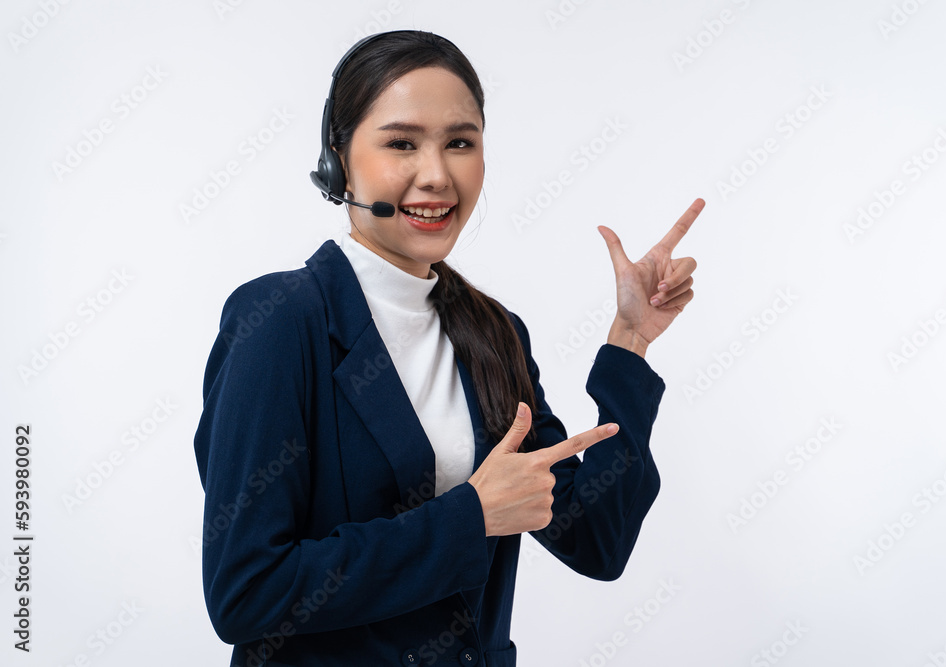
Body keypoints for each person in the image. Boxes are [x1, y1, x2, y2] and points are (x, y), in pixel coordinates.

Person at [193, 29, 703, 667]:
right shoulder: (280, 322)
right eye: (401, 143)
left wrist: (630, 343)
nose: (436, 176)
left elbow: (596, 542)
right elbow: (247, 592)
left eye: (460, 143)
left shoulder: (493, 332)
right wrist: (469, 518)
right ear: (338, 159)